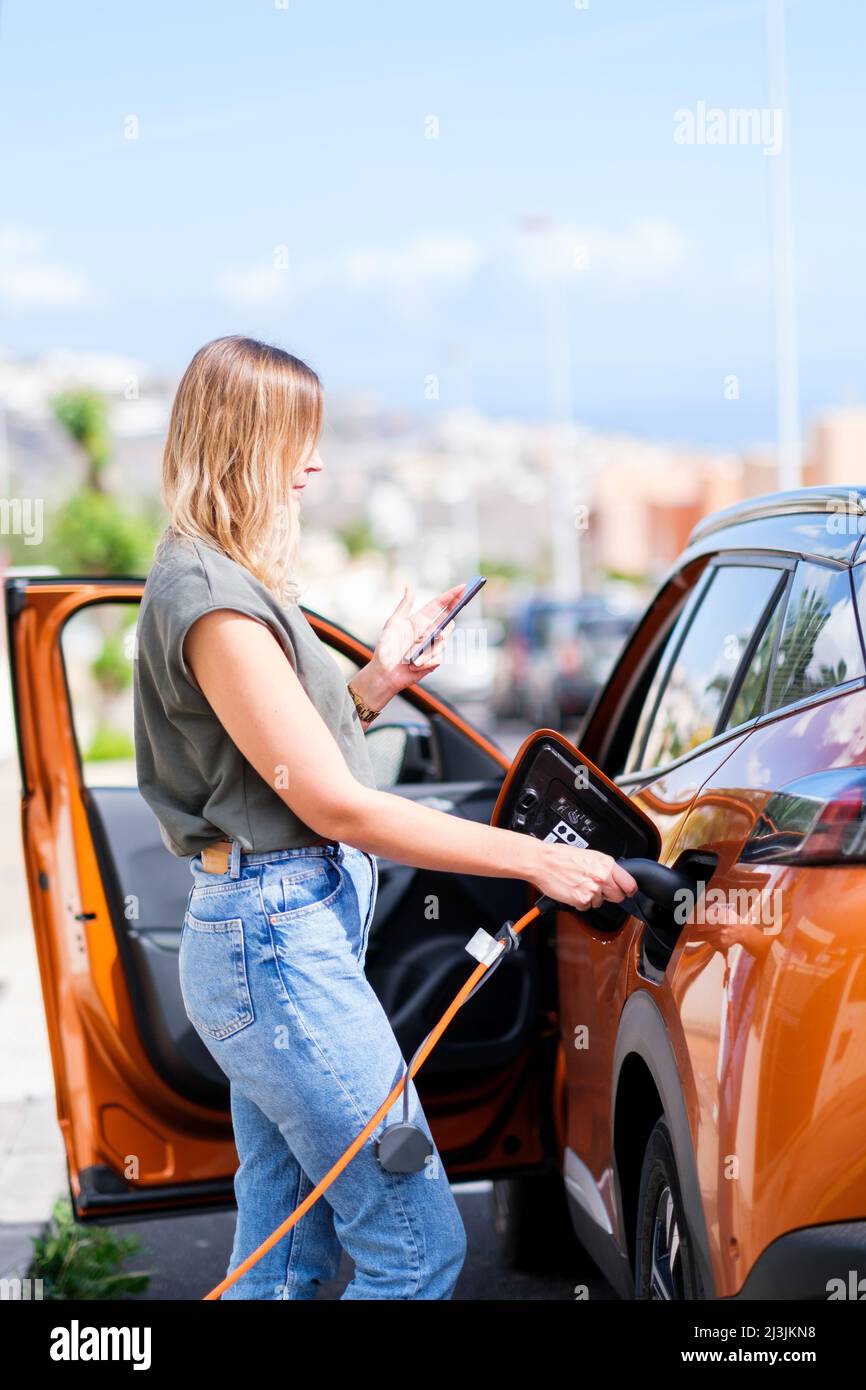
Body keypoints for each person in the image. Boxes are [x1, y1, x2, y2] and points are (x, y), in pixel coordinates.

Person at [132, 334, 637, 1300]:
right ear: (242, 444)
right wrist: (537, 858)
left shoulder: (224, 583)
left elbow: (273, 764)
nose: (314, 464)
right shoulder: (212, 599)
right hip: (275, 949)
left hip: (273, 939)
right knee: (415, 1250)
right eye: (298, 441)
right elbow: (331, 803)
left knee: (285, 1259)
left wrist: (374, 684)